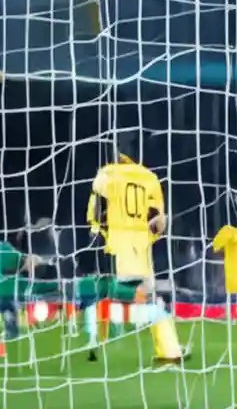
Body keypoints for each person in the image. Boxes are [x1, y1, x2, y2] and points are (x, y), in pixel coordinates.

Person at [86, 153, 185, 364]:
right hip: (141, 252)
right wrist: (150, 234)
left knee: (101, 292)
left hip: (116, 250)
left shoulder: (108, 174)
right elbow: (158, 221)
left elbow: (96, 209)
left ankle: (94, 342)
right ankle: (170, 350)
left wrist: (98, 229)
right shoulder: (149, 177)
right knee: (152, 301)